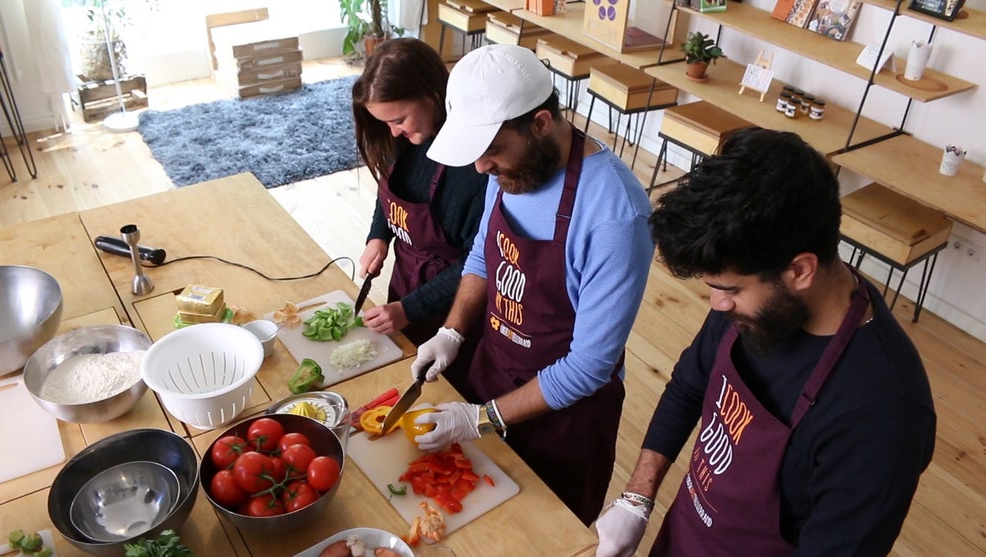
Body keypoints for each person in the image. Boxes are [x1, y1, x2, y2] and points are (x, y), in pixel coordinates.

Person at [595, 128, 936, 556]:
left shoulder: (882, 416)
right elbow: (687, 387)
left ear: (800, 271)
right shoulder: (756, 299)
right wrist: (638, 498)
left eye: (730, 290)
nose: (717, 305)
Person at [407, 44, 656, 525]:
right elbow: (483, 254)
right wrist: (453, 331)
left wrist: (482, 418)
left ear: (541, 123)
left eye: (493, 151)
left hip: (563, 424)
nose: (482, 169)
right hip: (492, 371)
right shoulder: (511, 170)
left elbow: (589, 366)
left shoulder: (614, 215)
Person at [351, 38, 487, 396]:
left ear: (432, 95)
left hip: (456, 306)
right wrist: (378, 235)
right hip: (406, 283)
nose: (394, 131)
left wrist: (411, 308)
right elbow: (390, 191)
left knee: (445, 392)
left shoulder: (474, 171)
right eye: (387, 123)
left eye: (399, 119)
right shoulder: (402, 138)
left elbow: (479, 263)